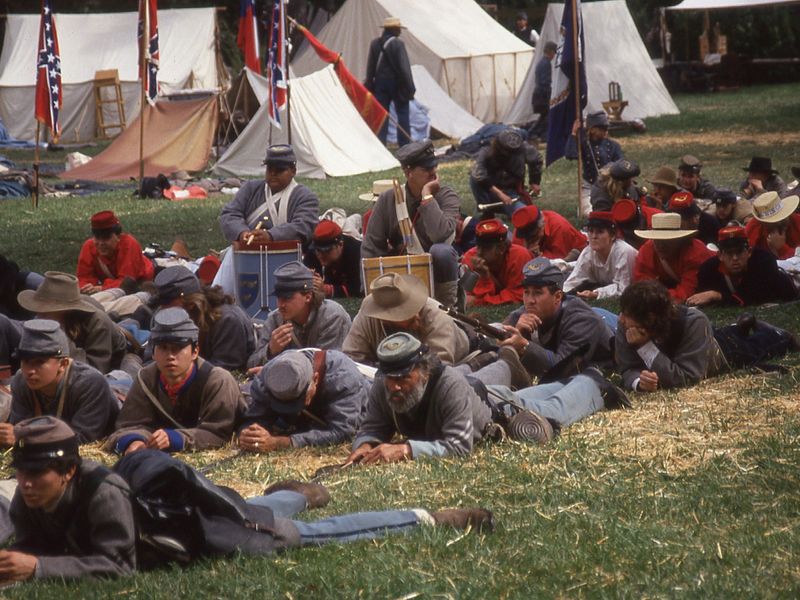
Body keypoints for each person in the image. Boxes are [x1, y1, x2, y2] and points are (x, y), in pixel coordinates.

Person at [3, 416, 136, 581]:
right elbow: (30, 547)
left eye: (37, 472)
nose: (25, 483)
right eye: (21, 470)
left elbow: (119, 567)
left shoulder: (104, 494)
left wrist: (39, 568)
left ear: (69, 471)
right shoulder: (27, 493)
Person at [107, 308, 246, 455]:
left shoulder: (218, 380)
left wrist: (176, 439)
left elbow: (219, 434)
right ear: (153, 353)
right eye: (163, 348)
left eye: (178, 348)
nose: (170, 356)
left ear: (195, 352)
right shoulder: (146, 378)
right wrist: (135, 441)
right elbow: (128, 425)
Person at [348, 332, 494, 462]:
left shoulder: (452, 385)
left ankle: (506, 356)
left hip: (493, 403)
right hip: (463, 387)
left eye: (403, 378)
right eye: (390, 378)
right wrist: (364, 445)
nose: (394, 387)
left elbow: (459, 448)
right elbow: (373, 427)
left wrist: (406, 450)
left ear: (425, 372)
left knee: (504, 377)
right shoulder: (382, 384)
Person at [361, 140, 462, 308]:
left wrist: (427, 196)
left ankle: (448, 309)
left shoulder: (447, 196)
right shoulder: (389, 199)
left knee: (441, 251)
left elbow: (440, 235)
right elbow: (371, 246)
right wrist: (370, 290)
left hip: (438, 273)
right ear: (409, 172)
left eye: (434, 167)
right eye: (426, 169)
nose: (433, 173)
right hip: (400, 275)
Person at [213, 144, 320, 294]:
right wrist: (242, 233)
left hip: (287, 258)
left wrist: (270, 236)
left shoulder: (305, 197)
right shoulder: (251, 188)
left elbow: (303, 227)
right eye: (270, 170)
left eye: (280, 170)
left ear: (293, 171)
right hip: (245, 253)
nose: (273, 174)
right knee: (221, 291)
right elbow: (229, 214)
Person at [0, 320, 118, 446]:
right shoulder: (21, 380)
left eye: (39, 362)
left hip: (118, 388)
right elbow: (20, 427)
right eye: (25, 361)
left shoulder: (90, 383)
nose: (30, 371)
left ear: (63, 364)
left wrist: (24, 439)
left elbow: (83, 439)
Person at [501, 257, 616, 380]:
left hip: (612, 325)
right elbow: (499, 337)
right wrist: (513, 334)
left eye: (538, 293)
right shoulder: (528, 311)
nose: (530, 300)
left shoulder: (582, 321)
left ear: (557, 297)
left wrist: (525, 345)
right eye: (526, 292)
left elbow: (563, 368)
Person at [238, 349, 371, 452]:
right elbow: (255, 417)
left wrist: (282, 442)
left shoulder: (344, 379)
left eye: (300, 399)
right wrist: (250, 434)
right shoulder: (267, 379)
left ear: (316, 379)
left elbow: (341, 431)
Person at [616, 281, 728, 392]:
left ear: (650, 318)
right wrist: (639, 383)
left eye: (627, 315)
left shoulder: (693, 323)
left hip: (725, 346)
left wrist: (645, 347)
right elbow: (627, 367)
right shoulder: (626, 325)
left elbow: (687, 378)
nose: (621, 319)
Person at [343, 273, 470, 367]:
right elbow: (351, 358)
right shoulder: (367, 317)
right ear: (385, 318)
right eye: (406, 311)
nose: (416, 316)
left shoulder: (437, 316)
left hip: (460, 361)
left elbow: (439, 368)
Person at [17, 272, 128, 375]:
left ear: (65, 310)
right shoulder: (44, 318)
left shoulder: (98, 323)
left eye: (46, 311)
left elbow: (93, 372)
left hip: (114, 367)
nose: (39, 316)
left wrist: (61, 336)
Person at [248, 262, 351, 367]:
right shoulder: (275, 319)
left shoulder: (332, 316)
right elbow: (251, 363)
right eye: (278, 297)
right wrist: (270, 350)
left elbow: (327, 366)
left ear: (308, 296)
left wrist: (272, 371)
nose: (280, 305)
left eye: (287, 298)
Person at [154, 266, 255, 372]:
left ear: (190, 303)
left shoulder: (228, 320)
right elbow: (150, 357)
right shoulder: (163, 316)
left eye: (169, 305)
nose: (165, 311)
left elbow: (224, 369)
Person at [688, 224, 797, 307]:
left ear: (749, 252)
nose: (735, 258)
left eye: (739, 252)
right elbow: (702, 297)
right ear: (720, 255)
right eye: (729, 253)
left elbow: (753, 297)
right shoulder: (708, 269)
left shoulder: (763, 261)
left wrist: (717, 296)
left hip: (793, 274)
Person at [632, 213, 715, 303]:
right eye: (657, 240)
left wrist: (653, 297)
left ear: (679, 239)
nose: (661, 245)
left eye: (667, 240)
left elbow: (686, 293)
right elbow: (641, 286)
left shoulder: (695, 253)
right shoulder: (647, 249)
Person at [469, 129, 543, 219]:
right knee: (474, 178)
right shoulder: (486, 151)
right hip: (490, 191)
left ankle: (513, 210)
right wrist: (500, 194)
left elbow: (536, 160)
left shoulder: (523, 148)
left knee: (525, 216)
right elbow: (479, 174)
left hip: (511, 194)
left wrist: (534, 182)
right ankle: (486, 212)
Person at [563, 211, 638, 300]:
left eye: (600, 232)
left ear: (613, 236)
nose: (594, 236)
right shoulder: (588, 251)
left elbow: (623, 288)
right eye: (591, 231)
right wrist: (561, 294)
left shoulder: (623, 252)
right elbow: (576, 277)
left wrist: (596, 293)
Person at [76, 210, 154, 294]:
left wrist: (102, 288)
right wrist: (87, 287)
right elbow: (83, 278)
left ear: (118, 236)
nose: (101, 243)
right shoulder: (89, 246)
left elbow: (127, 282)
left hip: (139, 286)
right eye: (97, 238)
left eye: (106, 238)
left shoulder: (129, 244)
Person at [365, 17, 415, 146]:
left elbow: (370, 67)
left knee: (382, 116)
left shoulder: (374, 43)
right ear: (394, 29)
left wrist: (369, 84)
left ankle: (381, 145)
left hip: (380, 84)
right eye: (399, 28)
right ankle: (405, 146)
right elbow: (404, 68)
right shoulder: (398, 44)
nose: (400, 31)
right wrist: (410, 87)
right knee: (402, 114)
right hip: (397, 84)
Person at [461, 219, 532, 306]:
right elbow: (466, 295)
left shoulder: (520, 256)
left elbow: (517, 296)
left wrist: (479, 302)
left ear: (501, 248)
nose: (479, 252)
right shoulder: (470, 257)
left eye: (486, 248)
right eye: (478, 246)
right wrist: (484, 277)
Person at [565, 111, 625, 215]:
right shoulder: (584, 144)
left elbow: (620, 163)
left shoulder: (613, 146)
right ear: (592, 129)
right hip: (589, 185)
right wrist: (574, 134)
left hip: (609, 186)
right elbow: (571, 155)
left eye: (606, 128)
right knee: (587, 213)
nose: (605, 131)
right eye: (602, 128)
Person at [303, 220, 362, 298]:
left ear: (340, 244)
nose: (321, 255)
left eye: (326, 251)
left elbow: (357, 289)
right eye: (318, 250)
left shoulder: (356, 252)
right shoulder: (312, 252)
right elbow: (303, 282)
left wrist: (326, 289)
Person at [511, 204, 586, 261]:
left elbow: (561, 263)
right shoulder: (522, 228)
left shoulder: (559, 227)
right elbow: (516, 257)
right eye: (526, 237)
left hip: (577, 258)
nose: (529, 239)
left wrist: (539, 256)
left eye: (532, 236)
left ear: (542, 225)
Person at [744, 191, 800, 259]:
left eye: (782, 216)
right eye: (774, 221)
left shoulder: (796, 220)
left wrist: (782, 248)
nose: (779, 222)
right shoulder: (753, 230)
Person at [529, 41, 557, 139]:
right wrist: (549, 95)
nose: (554, 55)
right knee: (547, 116)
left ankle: (534, 133)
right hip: (542, 95)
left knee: (544, 116)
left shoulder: (541, 62)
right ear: (550, 52)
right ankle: (539, 134)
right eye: (554, 52)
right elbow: (545, 82)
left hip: (538, 94)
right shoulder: (546, 64)